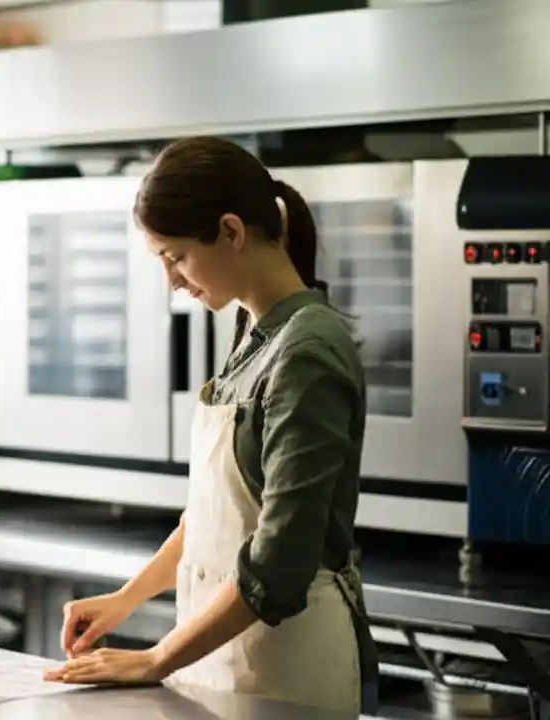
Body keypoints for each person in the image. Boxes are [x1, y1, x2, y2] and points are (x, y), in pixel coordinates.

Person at [43, 136, 378, 714]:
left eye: (174, 256)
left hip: (288, 670)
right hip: (224, 659)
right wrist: (128, 598)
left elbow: (281, 562)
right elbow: (213, 518)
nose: (172, 279)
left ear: (230, 232)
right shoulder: (254, 332)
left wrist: (157, 658)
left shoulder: (308, 351)